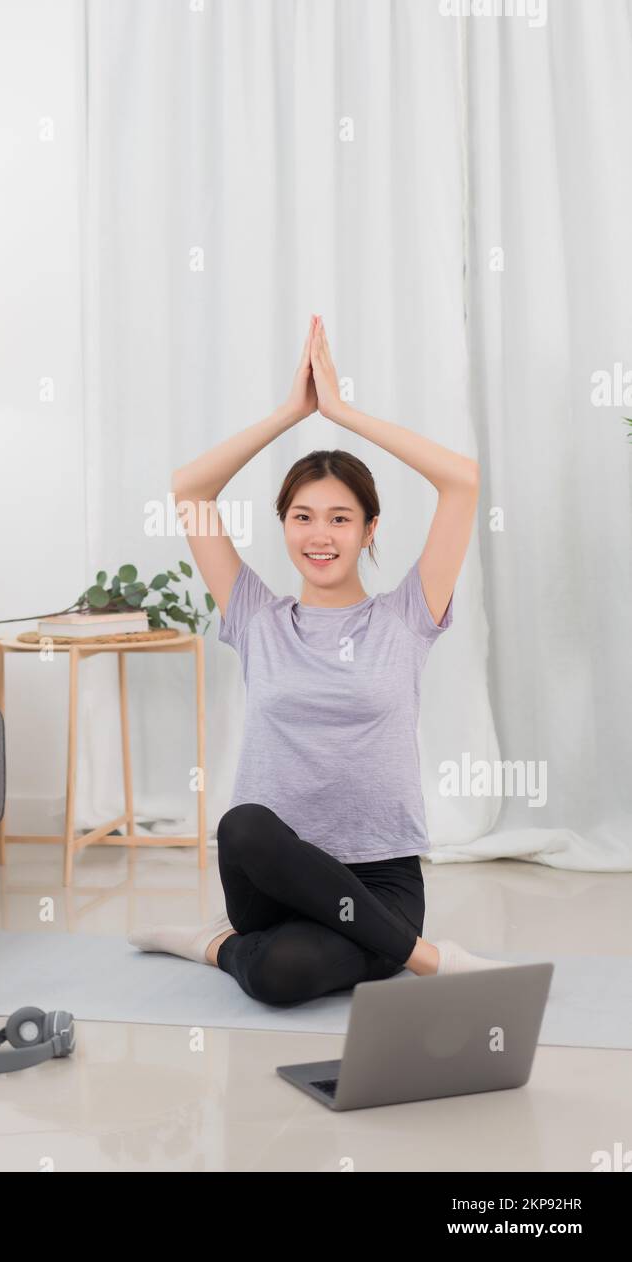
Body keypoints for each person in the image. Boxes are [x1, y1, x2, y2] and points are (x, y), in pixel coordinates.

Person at [129, 315, 508, 1003]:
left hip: (378, 878)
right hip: (268, 880)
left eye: (339, 517)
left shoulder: (406, 616)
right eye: (302, 516)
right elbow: (189, 489)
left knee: (284, 975)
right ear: (283, 528)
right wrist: (290, 414)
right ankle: (426, 960)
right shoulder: (255, 616)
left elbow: (461, 481)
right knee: (242, 822)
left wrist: (341, 412)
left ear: (368, 531)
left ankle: (212, 944)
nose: (319, 534)